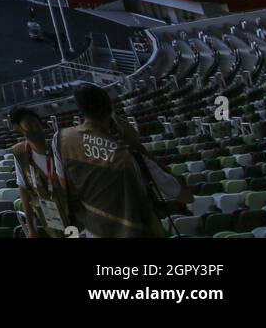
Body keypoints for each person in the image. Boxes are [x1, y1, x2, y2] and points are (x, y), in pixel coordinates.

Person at [52, 83, 182, 238]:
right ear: (110, 108)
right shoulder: (130, 153)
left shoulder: (61, 139)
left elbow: (65, 186)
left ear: (81, 109)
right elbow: (184, 195)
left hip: (96, 228)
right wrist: (138, 147)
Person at [9, 107, 66, 238]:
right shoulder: (20, 153)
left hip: (70, 205)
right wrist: (31, 229)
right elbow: (23, 190)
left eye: (36, 124)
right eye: (29, 125)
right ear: (19, 128)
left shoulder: (57, 146)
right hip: (48, 210)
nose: (35, 128)